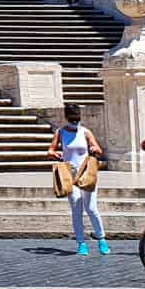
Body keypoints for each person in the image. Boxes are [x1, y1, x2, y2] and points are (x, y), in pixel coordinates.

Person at [48, 104, 110, 256]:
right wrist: (54, 154)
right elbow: (50, 149)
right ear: (67, 117)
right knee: (76, 208)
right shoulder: (60, 132)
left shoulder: (85, 132)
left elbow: (99, 150)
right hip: (70, 173)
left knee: (91, 208)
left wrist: (95, 149)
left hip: (86, 173)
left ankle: (101, 239)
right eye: (72, 118)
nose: (75, 121)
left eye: (76, 118)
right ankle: (81, 243)